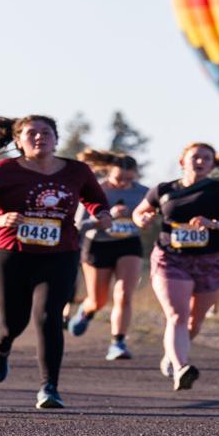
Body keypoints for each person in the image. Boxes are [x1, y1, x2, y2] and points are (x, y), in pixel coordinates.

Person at [0, 114, 111, 409]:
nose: (39, 137)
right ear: (18, 141)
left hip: (60, 253)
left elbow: (95, 198)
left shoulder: (77, 170)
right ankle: (1, 347)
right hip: (10, 253)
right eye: (32, 133)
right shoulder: (2, 170)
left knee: (49, 317)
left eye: (46, 132)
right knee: (13, 322)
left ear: (57, 139)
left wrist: (102, 214)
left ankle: (49, 387)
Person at [131, 142, 219, 391]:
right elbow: (139, 212)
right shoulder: (163, 190)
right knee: (177, 315)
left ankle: (171, 355)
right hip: (170, 258)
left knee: (194, 322)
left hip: (210, 260)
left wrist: (214, 224)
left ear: (213, 164)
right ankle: (181, 366)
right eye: (196, 157)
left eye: (207, 158)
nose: (201, 162)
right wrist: (142, 219)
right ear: (182, 161)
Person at [69, 149, 149, 361]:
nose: (123, 183)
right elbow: (78, 226)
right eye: (118, 179)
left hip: (129, 244)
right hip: (98, 245)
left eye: (129, 179)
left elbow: (154, 214)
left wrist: (143, 218)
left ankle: (118, 343)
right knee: (98, 300)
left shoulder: (143, 192)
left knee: (123, 294)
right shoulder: (94, 190)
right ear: (107, 172)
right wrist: (105, 218)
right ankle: (86, 311)